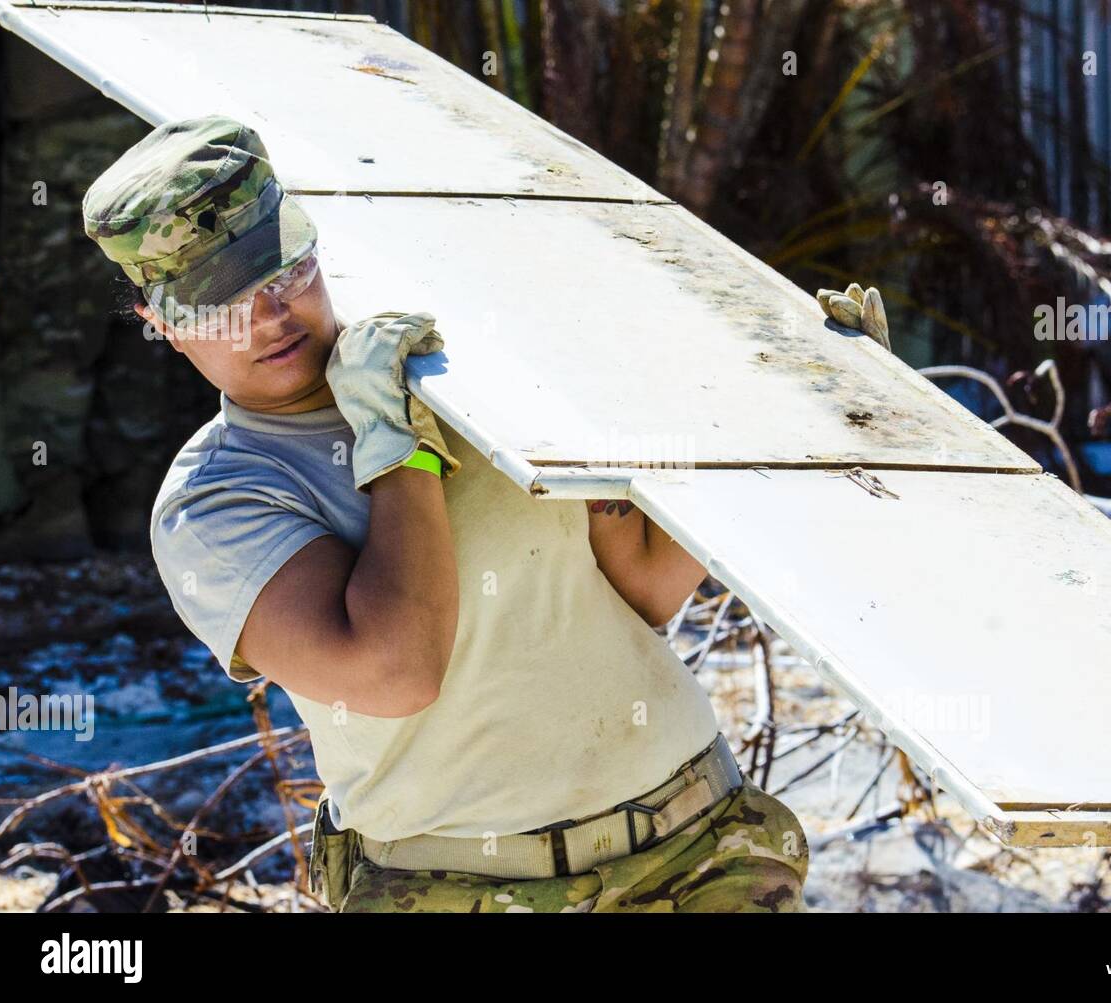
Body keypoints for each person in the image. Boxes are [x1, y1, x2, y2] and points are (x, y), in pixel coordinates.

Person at [80, 114, 810, 913]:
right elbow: (398, 670)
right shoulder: (215, 502)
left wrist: (798, 409)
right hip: (462, 890)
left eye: (282, 272)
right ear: (162, 324)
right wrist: (397, 446)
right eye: (223, 306)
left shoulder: (464, 374)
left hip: (700, 846)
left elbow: (643, 590)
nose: (270, 316)